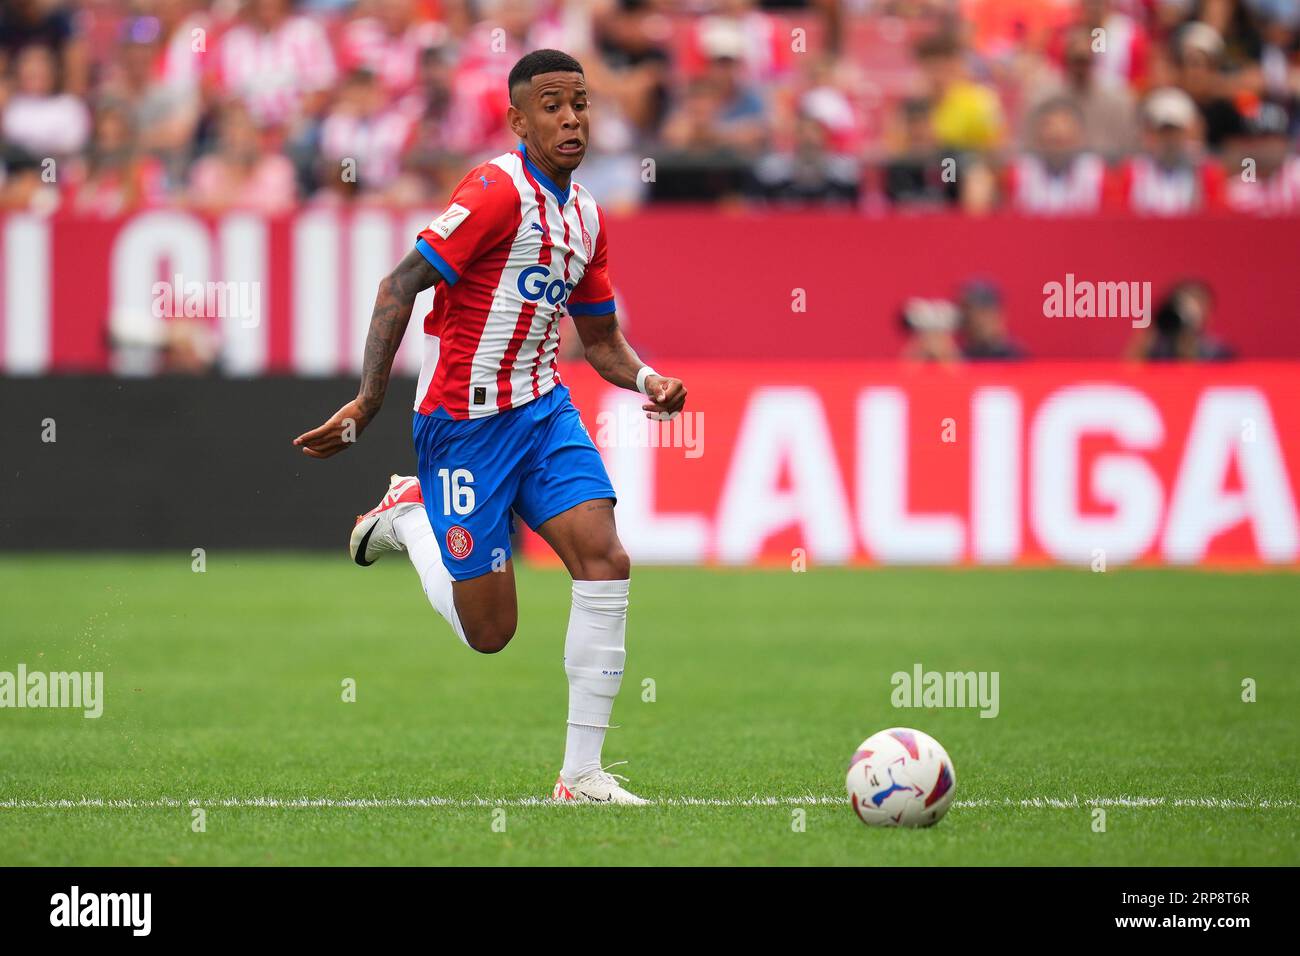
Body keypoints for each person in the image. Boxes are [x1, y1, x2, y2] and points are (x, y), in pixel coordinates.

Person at [292, 50, 687, 805]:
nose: (570, 117)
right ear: (518, 120)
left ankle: (582, 776)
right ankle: (408, 517)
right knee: (490, 633)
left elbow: (600, 341)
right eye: (551, 105)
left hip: (542, 411)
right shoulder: (494, 191)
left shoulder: (588, 217)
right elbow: (399, 284)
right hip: (464, 423)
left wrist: (646, 379)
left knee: (605, 559)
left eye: (579, 103)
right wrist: (368, 402)